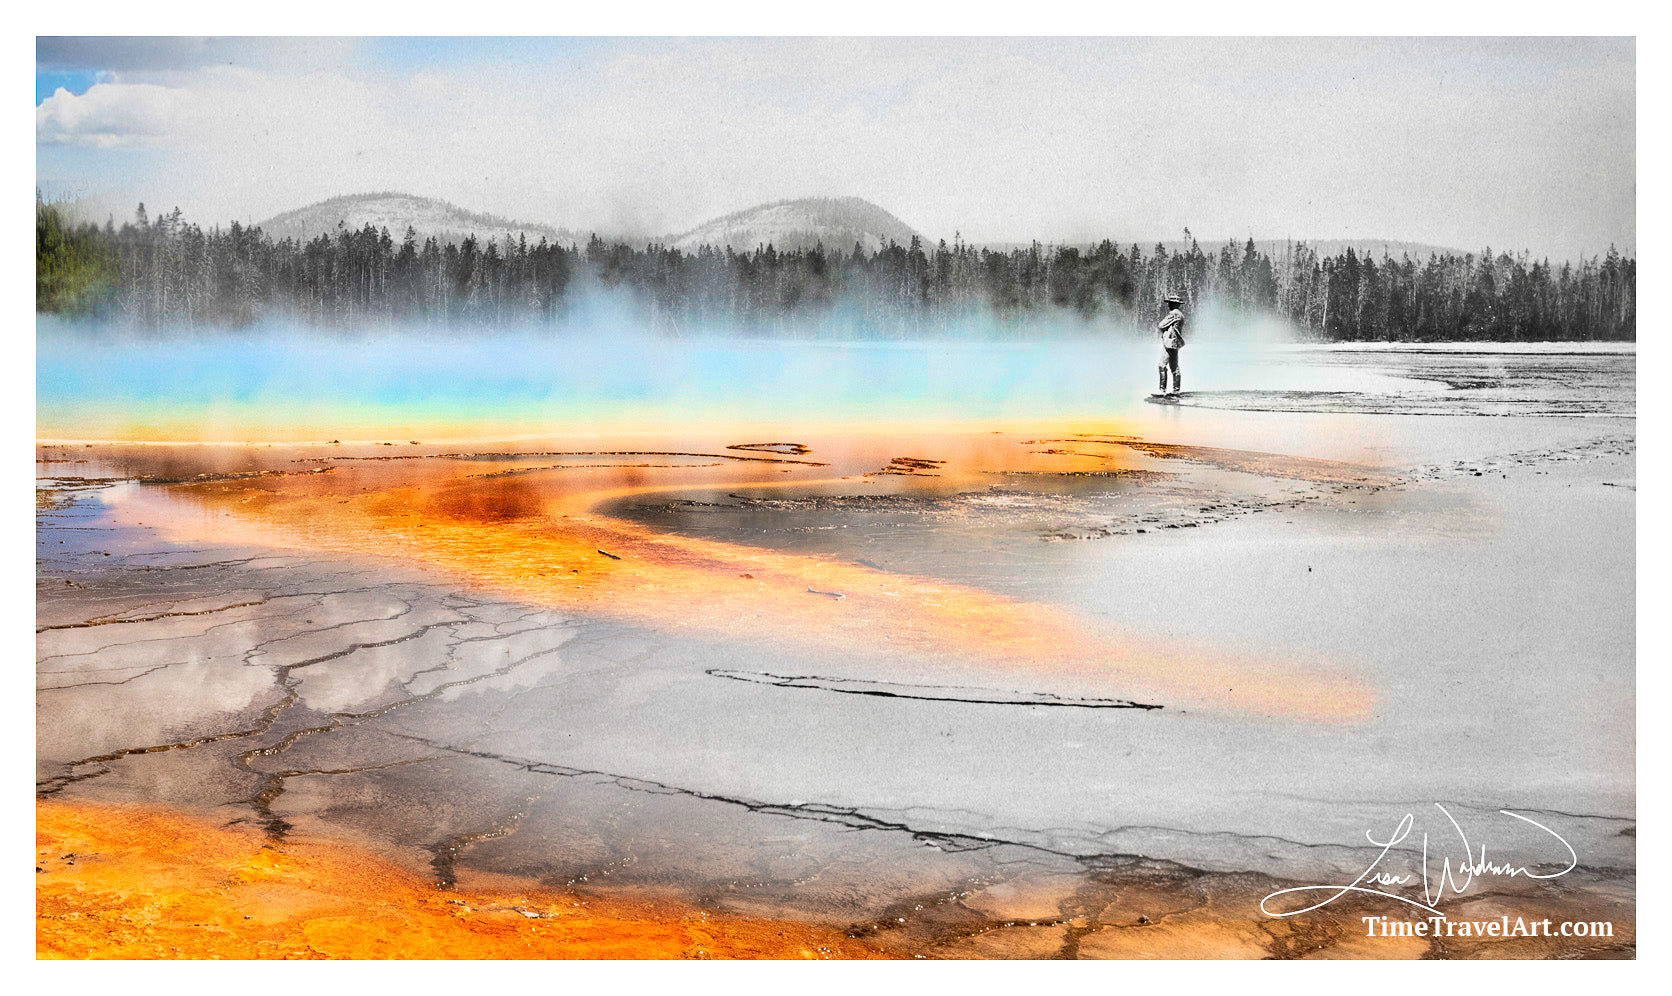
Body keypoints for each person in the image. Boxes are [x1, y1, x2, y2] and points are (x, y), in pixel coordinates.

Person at [1156, 293, 1186, 395]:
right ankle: (1176, 390)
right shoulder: (1179, 314)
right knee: (1174, 367)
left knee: (1162, 365)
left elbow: (1161, 325)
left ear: (1174, 304)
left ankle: (1162, 390)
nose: (1168, 305)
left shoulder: (1174, 313)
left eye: (1170, 303)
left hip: (1170, 342)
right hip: (1174, 342)